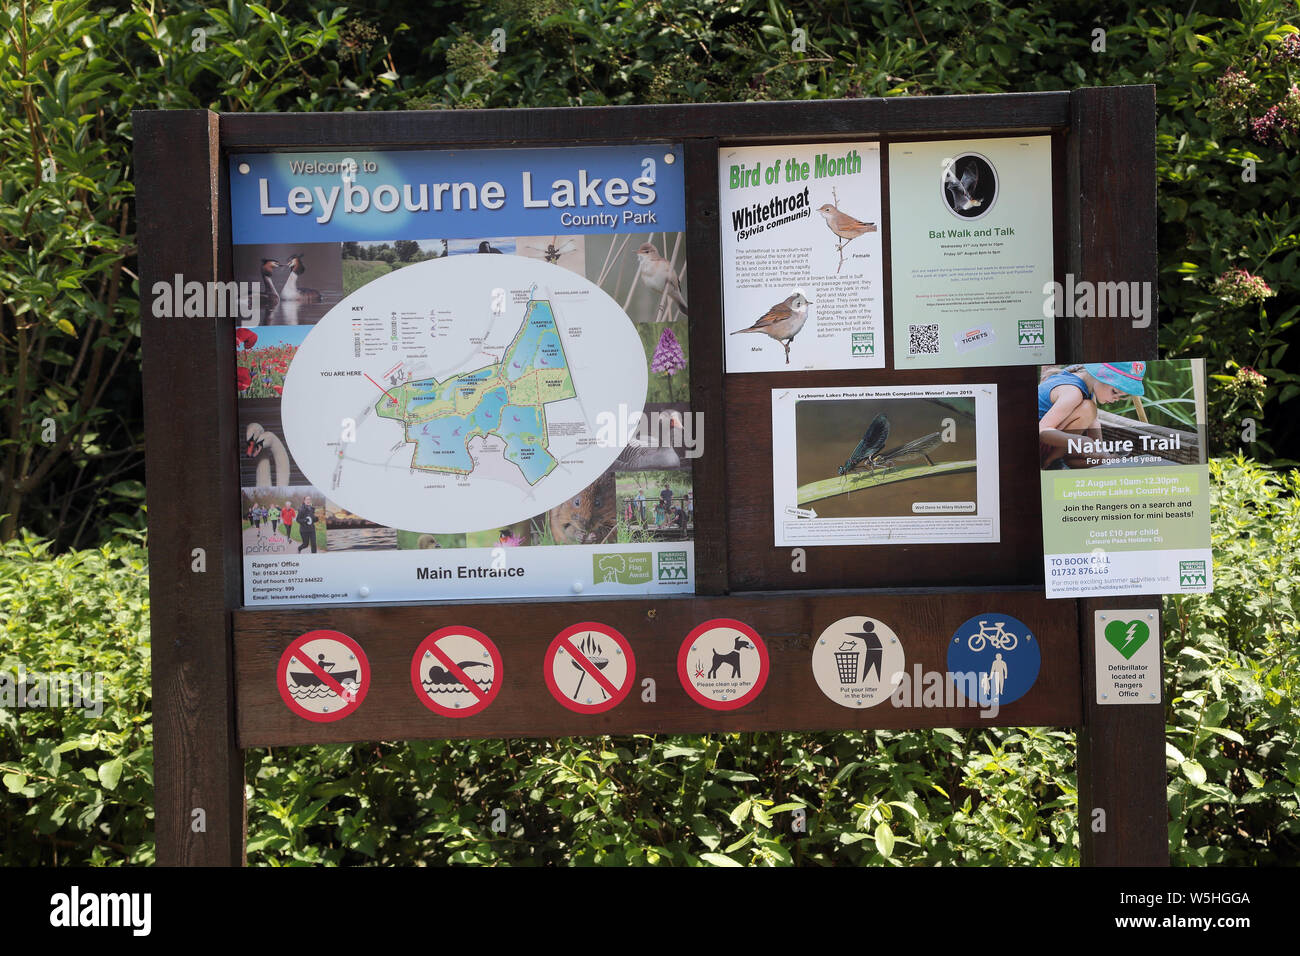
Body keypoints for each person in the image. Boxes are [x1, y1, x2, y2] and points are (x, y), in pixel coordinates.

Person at [1038, 361, 1146, 468]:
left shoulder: (1088, 385)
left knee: (1097, 457)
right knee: (1088, 408)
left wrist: (1102, 453)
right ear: (1101, 376)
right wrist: (1081, 441)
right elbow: (1041, 430)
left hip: (1050, 444)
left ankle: (1060, 460)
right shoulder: (1073, 392)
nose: (1116, 399)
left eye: (1121, 396)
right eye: (1114, 391)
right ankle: (1051, 463)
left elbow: (1094, 422)